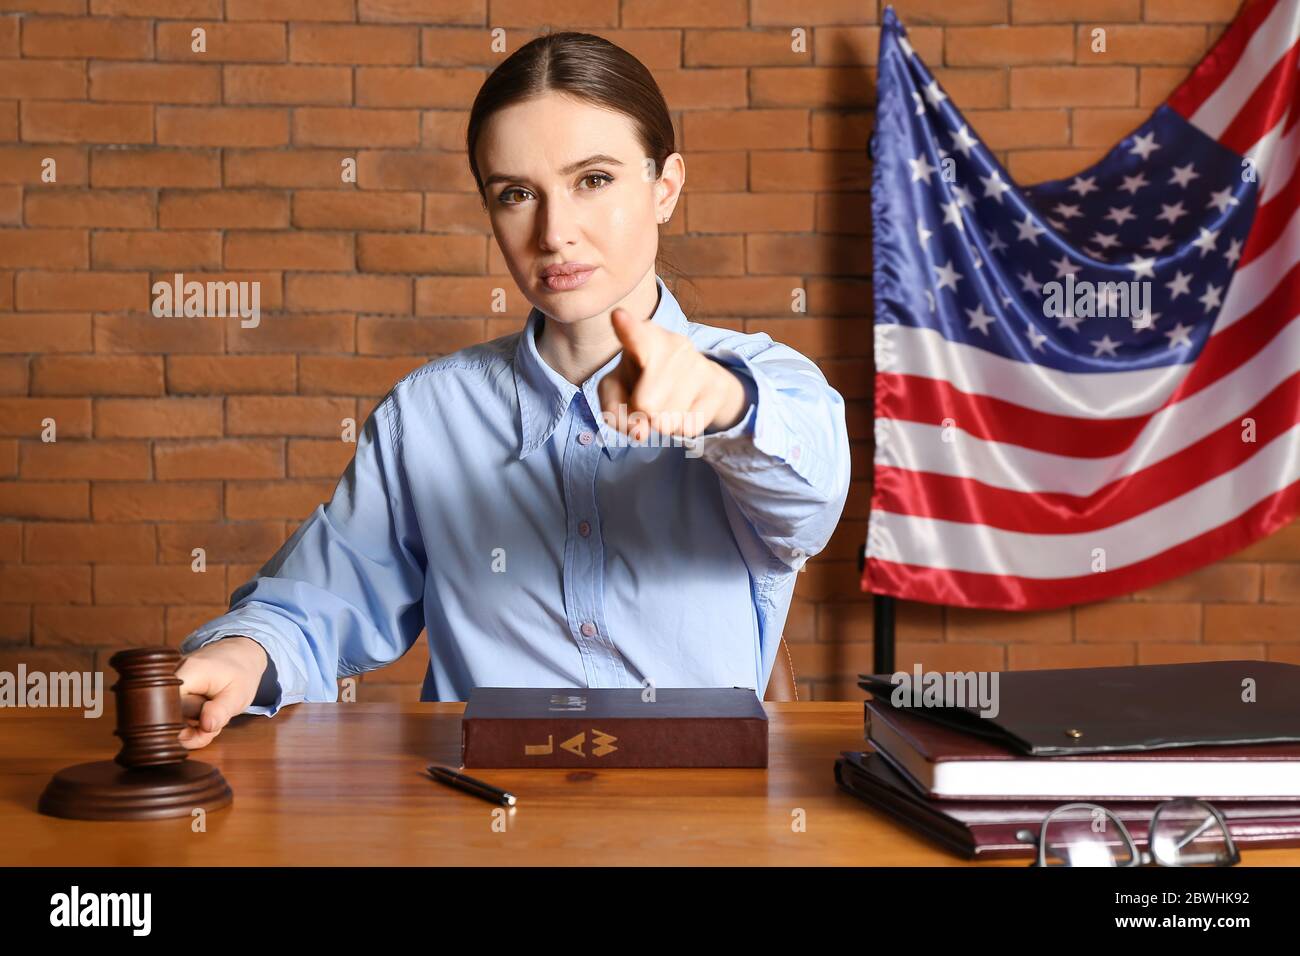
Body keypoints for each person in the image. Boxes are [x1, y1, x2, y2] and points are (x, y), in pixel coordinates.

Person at [176, 31, 852, 750]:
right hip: (483, 811)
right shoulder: (426, 415)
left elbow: (807, 495)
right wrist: (247, 653)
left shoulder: (764, 380)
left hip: (699, 818)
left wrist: (722, 405)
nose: (555, 232)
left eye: (593, 179)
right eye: (517, 194)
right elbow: (328, 596)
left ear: (665, 187)